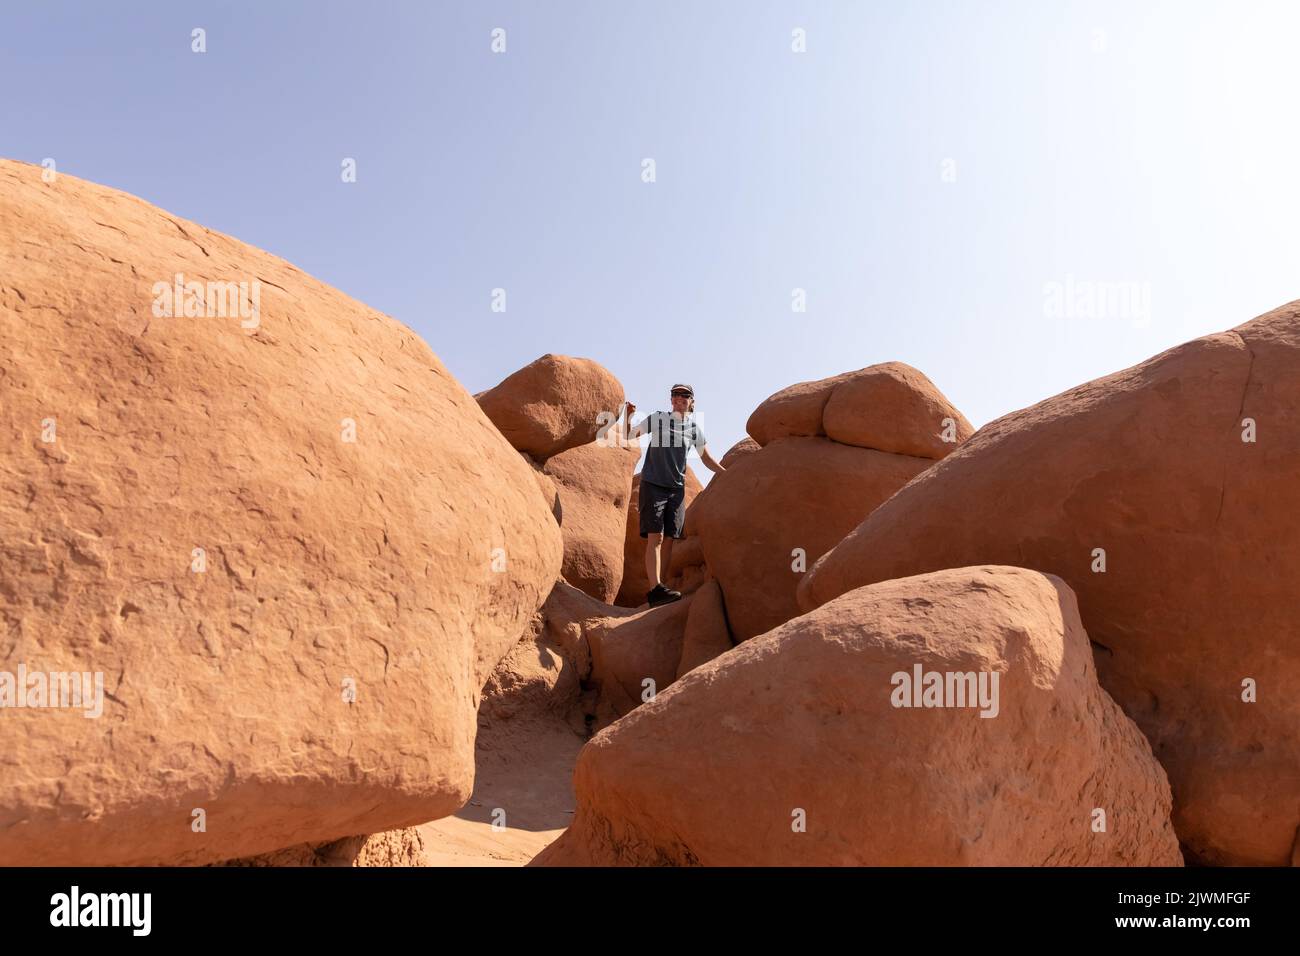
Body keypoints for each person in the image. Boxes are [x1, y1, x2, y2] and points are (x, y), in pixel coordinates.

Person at [620, 383, 725, 606]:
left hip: (676, 489)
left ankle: (662, 587)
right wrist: (627, 416)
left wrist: (727, 473)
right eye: (675, 394)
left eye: (684, 395)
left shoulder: (694, 429)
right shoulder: (658, 419)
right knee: (655, 537)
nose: (679, 398)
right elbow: (630, 435)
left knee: (669, 540)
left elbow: (706, 458)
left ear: (691, 401)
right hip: (653, 484)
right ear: (670, 400)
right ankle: (655, 589)